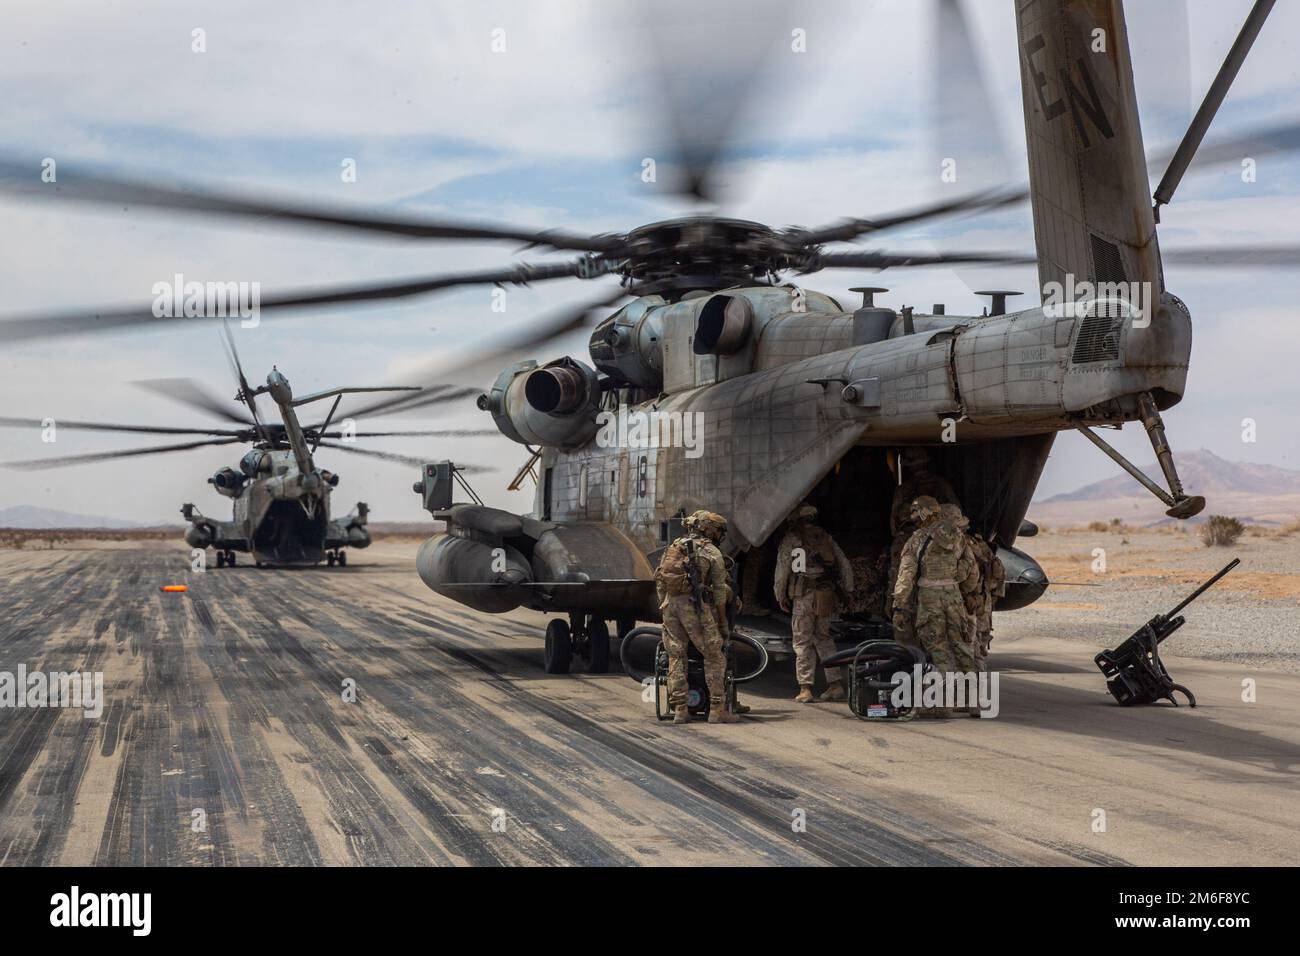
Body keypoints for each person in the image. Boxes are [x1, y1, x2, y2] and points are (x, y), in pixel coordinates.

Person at [892, 497, 980, 717]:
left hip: (930, 598)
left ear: (922, 514)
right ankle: (974, 701)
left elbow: (906, 575)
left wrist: (899, 605)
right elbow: (970, 568)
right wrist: (954, 580)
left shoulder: (917, 539)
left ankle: (941, 703)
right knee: (962, 647)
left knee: (938, 649)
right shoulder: (959, 536)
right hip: (953, 597)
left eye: (915, 513)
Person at [653, 510, 739, 725]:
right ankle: (717, 709)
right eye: (719, 531)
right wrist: (721, 622)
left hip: (670, 607)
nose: (721, 535)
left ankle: (680, 709)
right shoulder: (711, 552)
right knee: (714, 655)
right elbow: (720, 592)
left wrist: (665, 607)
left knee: (676, 655)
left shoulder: (673, 547)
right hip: (695, 608)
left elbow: (659, 580)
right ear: (709, 530)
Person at [774, 502, 854, 703]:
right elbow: (843, 563)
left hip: (803, 595)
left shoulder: (791, 539)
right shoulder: (825, 537)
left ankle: (805, 688)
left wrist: (780, 594)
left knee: (802, 641)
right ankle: (835, 685)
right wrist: (849, 589)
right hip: (824, 594)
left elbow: (782, 569)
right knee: (824, 637)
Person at [885, 448, 959, 617]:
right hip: (949, 597)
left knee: (900, 572)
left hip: (911, 537)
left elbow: (894, 523)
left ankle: (897, 610)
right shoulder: (941, 484)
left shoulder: (905, 489)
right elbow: (956, 511)